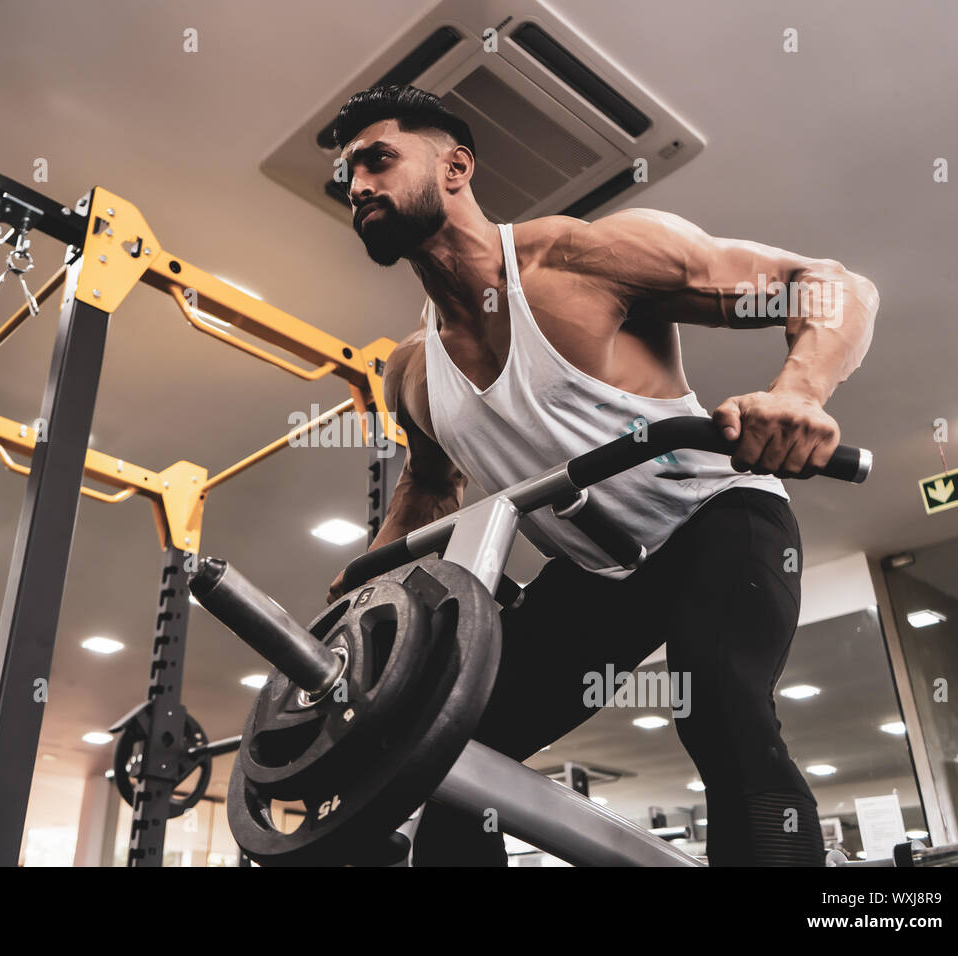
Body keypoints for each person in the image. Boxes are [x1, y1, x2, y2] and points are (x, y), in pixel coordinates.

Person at [325, 86, 878, 866]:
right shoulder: (411, 371)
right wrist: (372, 579)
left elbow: (833, 285)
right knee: (450, 754)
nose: (358, 187)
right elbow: (428, 482)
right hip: (597, 570)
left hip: (717, 515)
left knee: (720, 706)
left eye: (378, 160)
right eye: (347, 176)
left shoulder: (582, 261)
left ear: (456, 166)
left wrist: (796, 395)